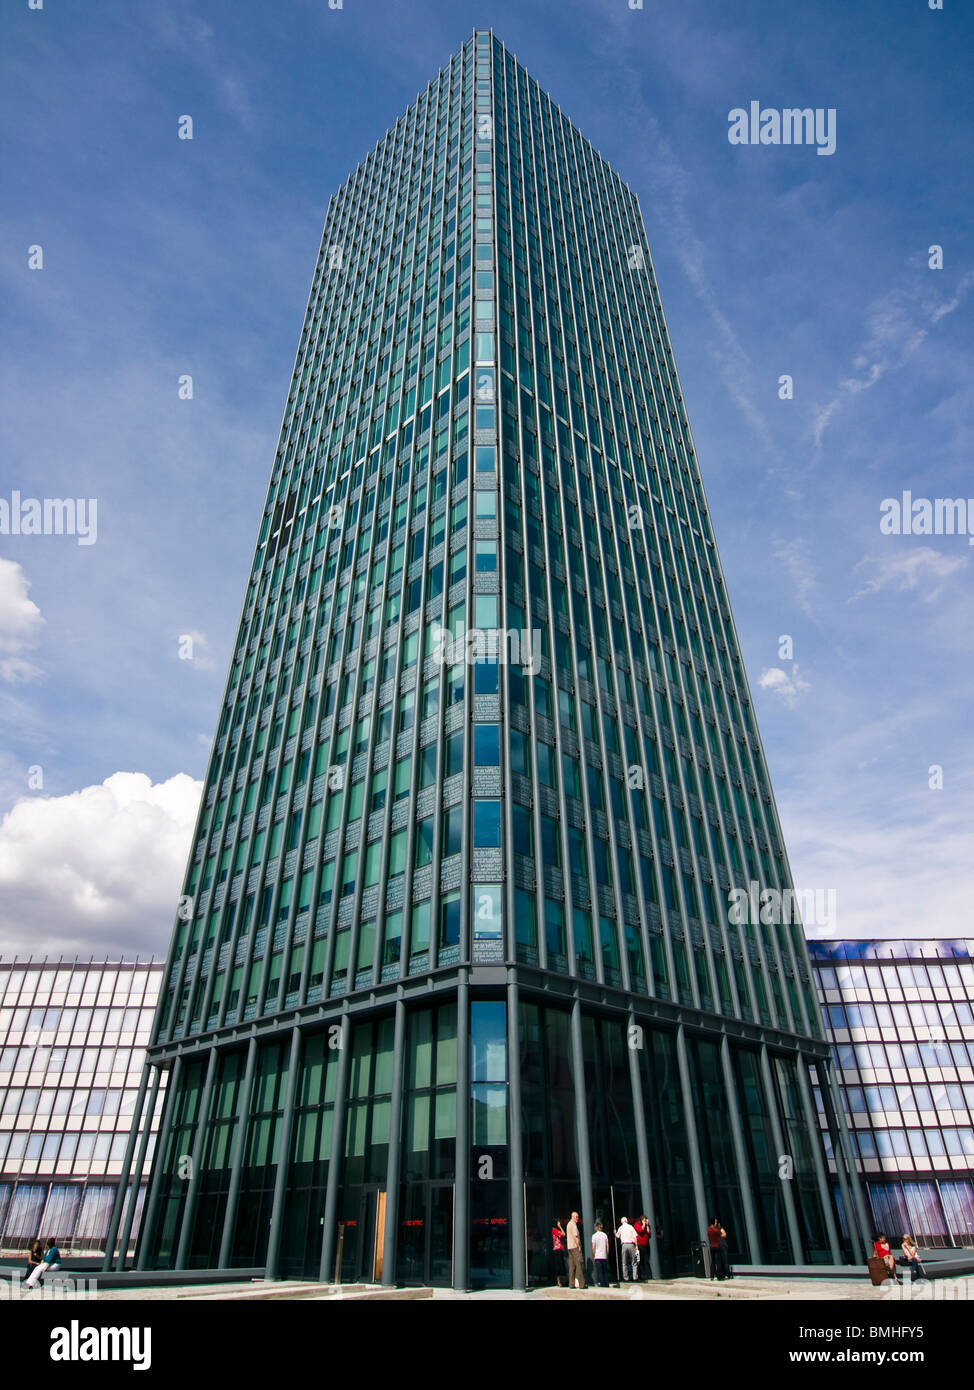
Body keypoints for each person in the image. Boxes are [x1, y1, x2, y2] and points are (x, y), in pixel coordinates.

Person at [566, 1210, 586, 1289]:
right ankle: (582, 1284)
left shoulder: (568, 1224)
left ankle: (571, 1284)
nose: (578, 1218)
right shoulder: (573, 1225)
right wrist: (579, 1246)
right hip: (574, 1247)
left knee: (572, 1266)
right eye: (576, 1217)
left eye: (578, 1217)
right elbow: (575, 1236)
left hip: (569, 1247)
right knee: (579, 1264)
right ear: (573, 1217)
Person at [616, 1215, 639, 1282]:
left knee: (624, 1262)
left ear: (621, 1222)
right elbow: (635, 1237)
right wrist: (636, 1246)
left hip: (624, 1245)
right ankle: (635, 1277)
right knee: (634, 1262)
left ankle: (626, 1278)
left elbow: (617, 1236)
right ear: (627, 1221)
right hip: (631, 1244)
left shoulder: (620, 1228)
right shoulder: (631, 1227)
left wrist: (615, 1233)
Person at [591, 1221, 610, 1287]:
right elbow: (607, 1246)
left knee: (600, 1272)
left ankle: (602, 1284)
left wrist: (594, 1255)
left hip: (598, 1256)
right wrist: (607, 1255)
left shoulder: (594, 1236)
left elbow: (593, 1246)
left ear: (596, 1228)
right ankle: (606, 1283)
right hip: (604, 1256)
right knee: (605, 1271)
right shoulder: (605, 1235)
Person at [551, 1218, 567, 1287]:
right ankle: (559, 1281)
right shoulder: (554, 1230)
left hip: (560, 1248)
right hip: (557, 1249)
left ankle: (561, 1281)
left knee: (561, 1265)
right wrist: (560, 1226)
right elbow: (563, 1234)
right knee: (558, 1266)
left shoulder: (555, 1230)